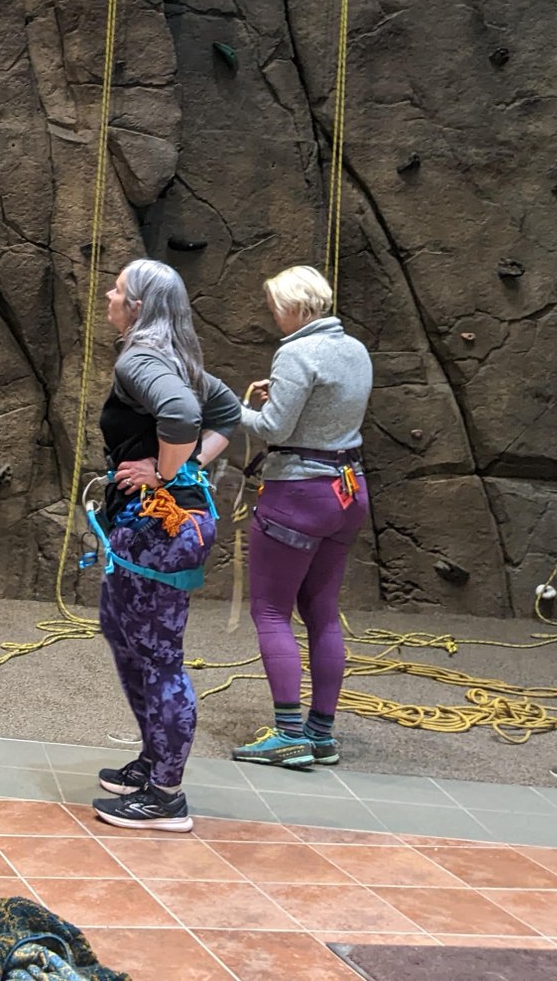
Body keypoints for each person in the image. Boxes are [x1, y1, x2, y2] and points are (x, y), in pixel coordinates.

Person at [90, 258, 239, 833]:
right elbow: (225, 412)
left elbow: (182, 413)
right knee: (121, 627)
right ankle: (154, 759)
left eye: (119, 290)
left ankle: (166, 796)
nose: (110, 293)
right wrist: (186, 462)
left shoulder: (142, 359)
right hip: (157, 525)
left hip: (164, 525)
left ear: (139, 307)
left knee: (157, 656)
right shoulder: (176, 356)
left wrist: (165, 471)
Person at [230, 265, 374, 769]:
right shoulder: (355, 349)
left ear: (293, 307)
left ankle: (288, 734)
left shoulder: (294, 352)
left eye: (274, 306)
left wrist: (223, 406)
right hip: (348, 492)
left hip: (299, 495)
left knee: (271, 612)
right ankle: (321, 734)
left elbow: (271, 428)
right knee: (322, 611)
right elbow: (332, 413)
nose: (273, 316)